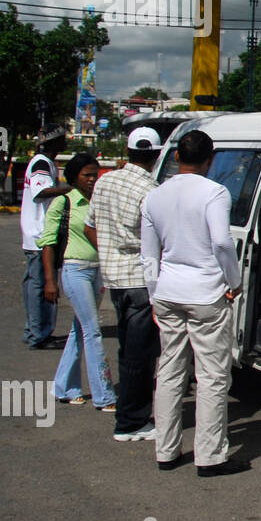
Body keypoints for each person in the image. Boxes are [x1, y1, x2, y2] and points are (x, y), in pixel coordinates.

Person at [141, 130, 249, 476]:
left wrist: (153, 294)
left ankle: (166, 450)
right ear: (210, 160)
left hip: (167, 292)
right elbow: (221, 242)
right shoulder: (215, 192)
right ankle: (210, 456)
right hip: (205, 294)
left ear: (175, 157)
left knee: (170, 371)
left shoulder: (154, 197)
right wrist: (234, 281)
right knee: (212, 376)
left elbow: (148, 256)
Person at [84, 127, 162, 441]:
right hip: (141, 280)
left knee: (127, 349)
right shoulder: (151, 189)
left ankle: (128, 413)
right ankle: (132, 422)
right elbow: (156, 241)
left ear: (128, 152)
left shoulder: (105, 181)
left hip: (115, 279)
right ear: (156, 155)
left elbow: (91, 226)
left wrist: (109, 251)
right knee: (140, 355)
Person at [42, 152, 117, 409]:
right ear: (74, 177)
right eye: (87, 175)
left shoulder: (98, 202)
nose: (92, 180)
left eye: (95, 175)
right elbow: (48, 244)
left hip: (97, 271)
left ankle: (64, 386)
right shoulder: (63, 203)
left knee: (80, 331)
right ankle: (104, 395)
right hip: (75, 270)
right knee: (93, 331)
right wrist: (50, 281)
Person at [20, 126, 69, 350]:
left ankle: (34, 330)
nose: (65, 142)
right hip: (40, 234)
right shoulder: (41, 163)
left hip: (36, 233)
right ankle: (39, 334)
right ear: (53, 143)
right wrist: (70, 189)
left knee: (34, 283)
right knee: (41, 285)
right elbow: (41, 192)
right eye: (62, 139)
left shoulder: (44, 162)